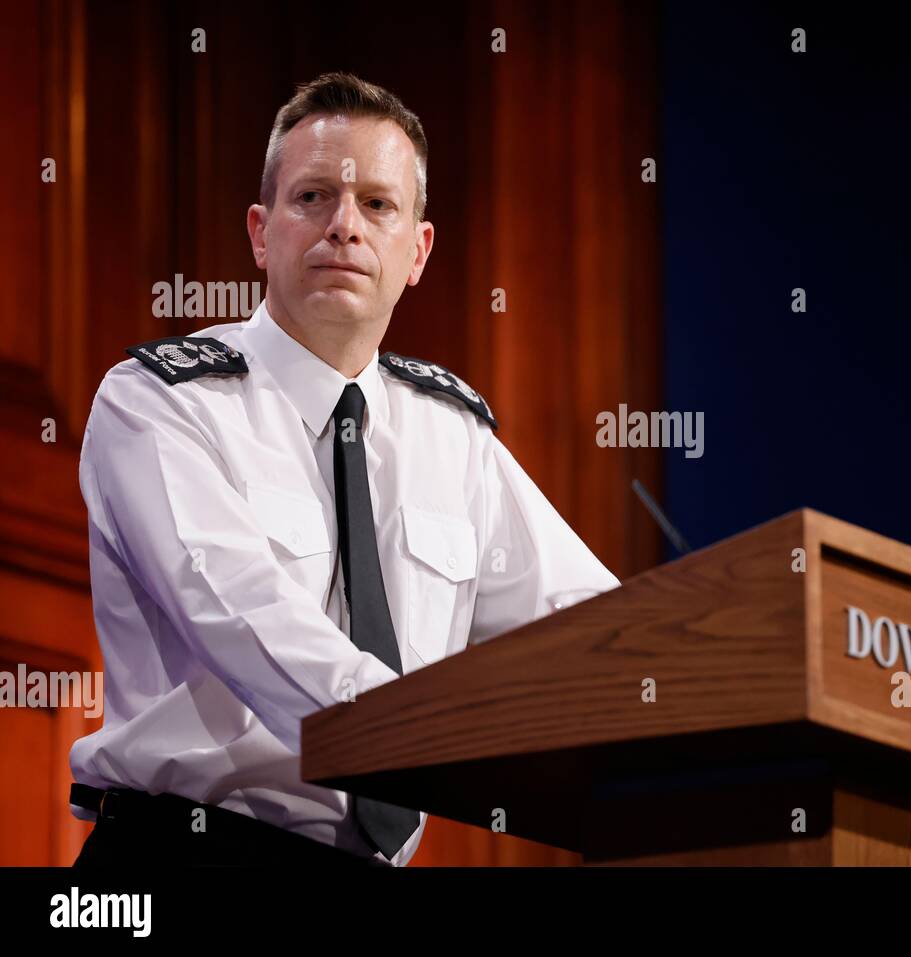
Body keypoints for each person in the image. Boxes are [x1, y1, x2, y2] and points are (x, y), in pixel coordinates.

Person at [69, 72, 619, 867]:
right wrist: (426, 728)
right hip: (182, 853)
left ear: (418, 250)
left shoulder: (452, 435)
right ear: (260, 233)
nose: (344, 228)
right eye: (314, 197)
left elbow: (589, 629)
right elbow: (245, 615)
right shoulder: (160, 402)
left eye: (378, 205)